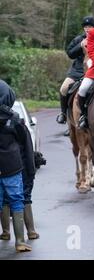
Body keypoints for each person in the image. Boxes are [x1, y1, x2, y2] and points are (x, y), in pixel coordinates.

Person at [0, 80, 35, 252]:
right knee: (16, 200)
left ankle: (5, 232)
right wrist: (30, 168)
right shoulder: (14, 119)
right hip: (12, 167)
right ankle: (20, 241)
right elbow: (24, 142)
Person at [56, 16, 94, 124]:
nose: (87, 29)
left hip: (93, 71)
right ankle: (64, 114)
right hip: (77, 71)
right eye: (86, 27)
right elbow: (70, 53)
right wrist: (80, 45)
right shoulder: (79, 39)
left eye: (90, 27)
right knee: (64, 88)